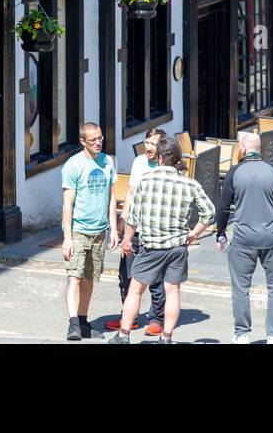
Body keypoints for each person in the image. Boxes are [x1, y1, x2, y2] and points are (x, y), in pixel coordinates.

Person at [109, 136, 214, 344]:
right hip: (177, 247)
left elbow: (133, 217)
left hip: (150, 246)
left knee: (136, 290)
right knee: (173, 291)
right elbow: (210, 213)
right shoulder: (190, 184)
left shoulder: (145, 181)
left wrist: (127, 240)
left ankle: (124, 335)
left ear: (160, 158)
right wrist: (194, 233)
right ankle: (166, 338)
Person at [215, 131, 273, 344]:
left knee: (241, 288)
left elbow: (223, 208)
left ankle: (242, 334)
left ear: (242, 149)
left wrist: (220, 233)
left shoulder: (234, 173)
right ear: (258, 149)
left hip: (243, 240)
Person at [105, 127, 167, 336]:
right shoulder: (139, 162)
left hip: (156, 230)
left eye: (154, 144)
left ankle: (157, 318)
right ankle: (128, 317)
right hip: (134, 228)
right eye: (147, 143)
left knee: (156, 278)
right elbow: (130, 193)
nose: (149, 148)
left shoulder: (166, 165)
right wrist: (122, 220)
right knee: (127, 275)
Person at [60, 121, 117, 341]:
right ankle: (73, 323)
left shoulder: (107, 162)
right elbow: (67, 203)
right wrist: (67, 238)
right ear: (83, 141)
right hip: (79, 231)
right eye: (93, 140)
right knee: (74, 275)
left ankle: (83, 323)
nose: (98, 142)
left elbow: (112, 196)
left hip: (99, 231)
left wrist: (113, 228)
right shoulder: (73, 166)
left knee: (89, 278)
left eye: (100, 138)